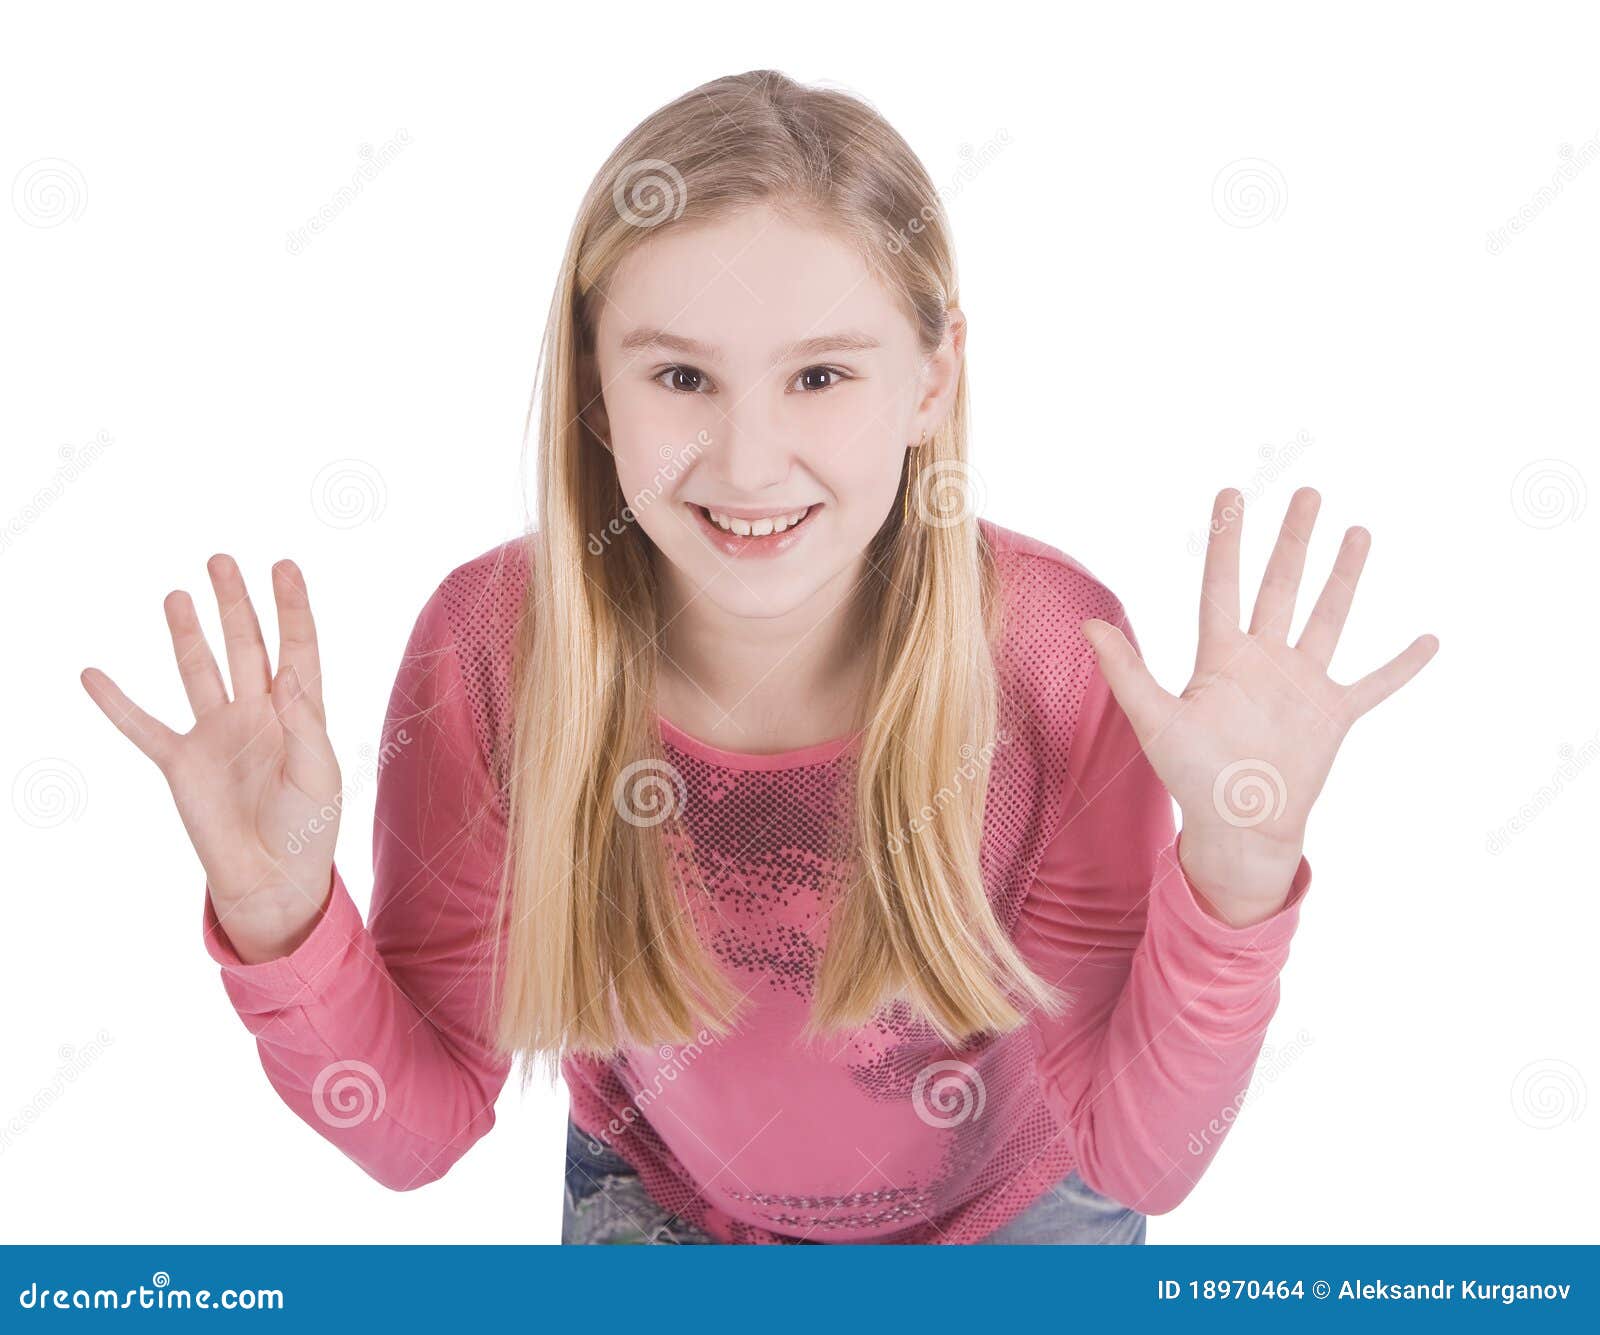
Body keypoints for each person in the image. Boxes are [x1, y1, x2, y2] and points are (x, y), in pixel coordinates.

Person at [79, 69, 1437, 1245]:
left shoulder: (1047, 655)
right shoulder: (495, 650)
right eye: (680, 378)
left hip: (1011, 1221)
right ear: (595, 390)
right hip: (662, 1209)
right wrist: (279, 916)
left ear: (931, 381)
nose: (745, 463)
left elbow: (1142, 1160)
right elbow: (419, 1131)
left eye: (819, 378)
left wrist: (1238, 878)